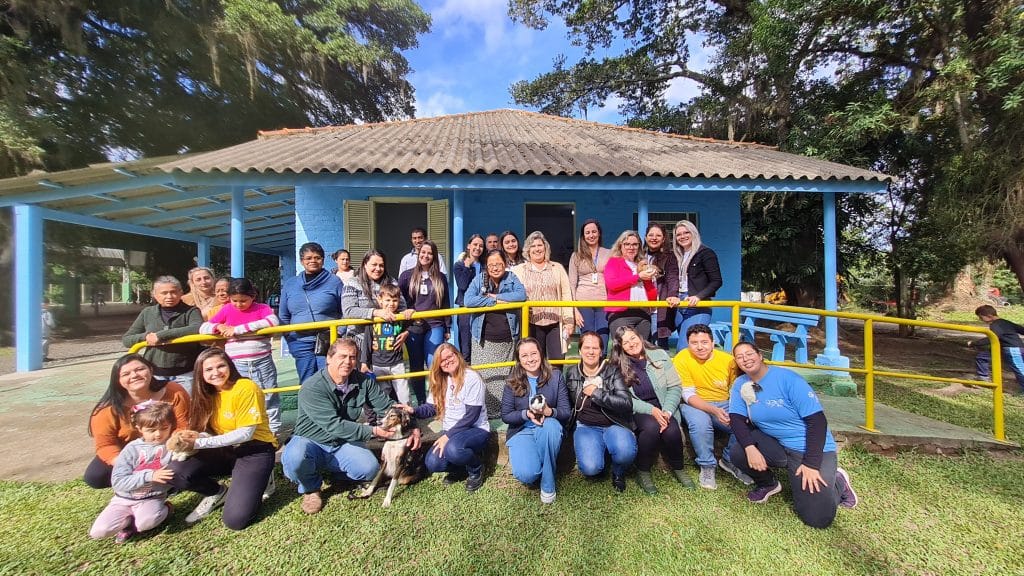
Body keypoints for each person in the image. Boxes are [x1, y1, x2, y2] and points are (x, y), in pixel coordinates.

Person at [727, 341, 858, 528]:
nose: (745, 359)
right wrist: (750, 449)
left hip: (808, 447)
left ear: (760, 355)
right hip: (777, 443)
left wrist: (811, 464)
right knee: (739, 451)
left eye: (749, 354)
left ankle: (839, 482)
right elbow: (737, 419)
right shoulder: (741, 384)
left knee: (817, 518)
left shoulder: (788, 379)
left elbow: (817, 422)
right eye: (739, 357)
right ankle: (768, 483)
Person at [282, 338, 419, 514]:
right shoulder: (312, 387)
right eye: (342, 356)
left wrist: (413, 425)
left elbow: (388, 405)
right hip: (310, 440)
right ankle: (311, 488)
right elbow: (334, 425)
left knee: (370, 469)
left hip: (342, 441)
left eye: (353, 357)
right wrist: (373, 431)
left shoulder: (363, 381)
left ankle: (336, 473)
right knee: (295, 458)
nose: (348, 362)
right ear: (329, 359)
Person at [170, 348, 278, 529]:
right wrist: (193, 439)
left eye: (221, 366)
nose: (216, 372)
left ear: (230, 366)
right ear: (200, 373)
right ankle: (216, 492)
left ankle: (265, 477)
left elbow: (246, 434)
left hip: (255, 449)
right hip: (224, 449)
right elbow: (210, 432)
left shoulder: (245, 387)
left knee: (235, 520)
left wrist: (199, 442)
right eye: (209, 369)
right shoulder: (205, 394)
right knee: (174, 470)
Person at [85, 354, 190, 489]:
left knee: (181, 468)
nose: (134, 375)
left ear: (151, 370)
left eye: (140, 369)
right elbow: (106, 445)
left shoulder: (174, 391)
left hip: (166, 446)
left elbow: (183, 426)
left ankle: (167, 484)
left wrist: (170, 451)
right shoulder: (106, 409)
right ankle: (139, 482)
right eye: (126, 374)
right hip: (129, 453)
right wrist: (128, 464)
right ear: (118, 380)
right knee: (95, 476)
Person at [611, 325, 694, 494]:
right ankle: (643, 470)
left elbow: (675, 387)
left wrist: (667, 411)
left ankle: (678, 467)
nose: (631, 343)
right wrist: (651, 410)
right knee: (652, 427)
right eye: (625, 342)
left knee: (671, 430)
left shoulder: (660, 355)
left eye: (633, 338)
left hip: (664, 405)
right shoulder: (617, 366)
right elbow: (625, 399)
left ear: (640, 337)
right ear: (620, 347)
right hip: (638, 408)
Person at [397, 343, 490, 492]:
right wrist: (413, 410)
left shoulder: (472, 377)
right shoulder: (441, 380)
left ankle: (476, 468)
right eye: (442, 360)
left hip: (475, 429)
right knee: (433, 463)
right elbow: (430, 408)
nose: (447, 361)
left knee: (453, 449)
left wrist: (448, 436)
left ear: (457, 355)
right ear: (438, 365)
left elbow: (472, 416)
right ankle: (460, 468)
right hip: (452, 432)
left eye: (450, 356)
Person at [673, 324, 753, 489]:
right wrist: (714, 410)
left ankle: (729, 460)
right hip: (694, 403)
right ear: (688, 343)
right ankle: (707, 466)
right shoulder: (682, 357)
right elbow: (687, 394)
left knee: (743, 422)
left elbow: (735, 390)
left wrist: (732, 410)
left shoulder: (727, 360)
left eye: (704, 342)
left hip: (724, 401)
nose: (700, 347)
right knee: (701, 424)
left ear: (712, 342)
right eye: (694, 343)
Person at [200, 278, 282, 435]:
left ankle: (273, 433)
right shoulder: (226, 309)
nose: (238, 304)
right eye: (234, 300)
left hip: (261, 361)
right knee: (240, 395)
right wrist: (219, 326)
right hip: (237, 362)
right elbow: (204, 327)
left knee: (268, 395)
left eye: (243, 300)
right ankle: (243, 431)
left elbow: (272, 322)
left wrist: (238, 329)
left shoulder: (262, 308)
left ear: (253, 296)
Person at [89, 401, 177, 543]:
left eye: (164, 428)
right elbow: (118, 481)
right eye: (151, 430)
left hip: (152, 497)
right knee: (99, 532)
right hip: (123, 499)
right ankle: (128, 521)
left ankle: (166, 509)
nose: (158, 434)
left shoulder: (171, 445)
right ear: (139, 428)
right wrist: (150, 475)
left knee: (146, 523)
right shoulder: (131, 449)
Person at [564, 331, 637, 492]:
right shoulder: (571, 372)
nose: (591, 352)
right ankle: (599, 455)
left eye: (595, 348)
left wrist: (597, 393)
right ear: (580, 350)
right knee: (591, 469)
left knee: (626, 452)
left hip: (614, 423)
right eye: (587, 347)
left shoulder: (612, 371)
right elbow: (567, 404)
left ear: (601, 351)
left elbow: (626, 403)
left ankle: (618, 471)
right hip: (586, 426)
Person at [501, 338, 570, 503]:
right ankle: (540, 460)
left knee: (551, 427)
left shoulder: (556, 376)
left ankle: (548, 485)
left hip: (547, 426)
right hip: (522, 431)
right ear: (519, 360)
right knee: (527, 475)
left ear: (541, 354)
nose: (530, 359)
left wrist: (549, 412)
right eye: (524, 355)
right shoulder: (511, 381)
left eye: (534, 353)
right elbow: (506, 415)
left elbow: (566, 412)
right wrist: (526, 414)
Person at [464, 249, 529, 416]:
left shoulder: (511, 277)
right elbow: (468, 300)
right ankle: (489, 412)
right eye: (491, 264)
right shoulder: (479, 279)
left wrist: (499, 297)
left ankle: (504, 411)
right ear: (486, 266)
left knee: (504, 378)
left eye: (498, 264)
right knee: (485, 377)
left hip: (508, 339)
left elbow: (521, 295)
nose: (495, 268)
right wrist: (493, 300)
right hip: (483, 340)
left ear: (505, 264)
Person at [122, 275, 203, 394]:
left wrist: (162, 335)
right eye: (164, 293)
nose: (169, 296)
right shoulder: (147, 312)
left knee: (185, 408)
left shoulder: (191, 311)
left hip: (185, 374)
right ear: (154, 294)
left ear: (181, 293)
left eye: (173, 292)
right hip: (154, 374)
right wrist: (145, 337)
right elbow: (127, 339)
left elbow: (197, 328)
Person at [279, 242, 345, 383]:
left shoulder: (334, 282)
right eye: (308, 258)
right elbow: (283, 315)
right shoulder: (290, 284)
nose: (313, 261)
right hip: (300, 342)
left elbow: (344, 311)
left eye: (317, 257)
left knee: (329, 379)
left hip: (328, 339)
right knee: (307, 382)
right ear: (302, 261)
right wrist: (290, 340)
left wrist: (339, 333)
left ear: (323, 260)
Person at [398, 240, 451, 405]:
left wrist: (447, 326)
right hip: (414, 325)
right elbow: (399, 300)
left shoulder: (440, 277)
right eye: (423, 253)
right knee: (415, 364)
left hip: (435, 324)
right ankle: (421, 400)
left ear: (434, 256)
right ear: (418, 254)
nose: (426, 256)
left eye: (429, 253)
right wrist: (405, 314)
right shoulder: (407, 275)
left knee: (433, 363)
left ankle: (436, 399)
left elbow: (445, 303)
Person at [512, 231, 574, 361]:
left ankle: (556, 382)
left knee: (557, 361)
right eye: (533, 246)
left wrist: (569, 322)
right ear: (528, 250)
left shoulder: (557, 268)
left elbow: (566, 294)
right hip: (531, 323)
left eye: (540, 245)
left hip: (555, 322)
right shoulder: (518, 270)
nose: (537, 249)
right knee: (535, 361)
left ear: (545, 247)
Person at [341, 249, 406, 363]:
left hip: (386, 344)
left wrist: (405, 331)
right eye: (374, 265)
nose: (378, 268)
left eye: (381, 265)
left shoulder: (391, 282)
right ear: (365, 265)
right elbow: (349, 311)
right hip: (360, 340)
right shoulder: (352, 283)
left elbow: (402, 307)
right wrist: (375, 312)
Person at [361, 283, 413, 408]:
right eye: (387, 300)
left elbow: (416, 323)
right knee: (383, 394)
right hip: (378, 363)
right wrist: (364, 363)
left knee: (404, 394)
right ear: (380, 300)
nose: (391, 303)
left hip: (397, 363)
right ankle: (384, 420)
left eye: (395, 300)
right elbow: (367, 342)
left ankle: (409, 419)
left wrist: (411, 311)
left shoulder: (400, 316)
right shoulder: (374, 319)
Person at [673, 220, 722, 349]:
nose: (682, 236)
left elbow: (716, 281)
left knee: (683, 348)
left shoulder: (705, 253)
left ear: (693, 233)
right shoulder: (678, 255)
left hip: (697, 306)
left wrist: (698, 296)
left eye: (686, 232)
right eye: (678, 234)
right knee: (688, 347)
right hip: (679, 305)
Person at [604, 231, 657, 342]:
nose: (631, 247)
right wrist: (638, 277)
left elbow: (652, 293)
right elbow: (612, 284)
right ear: (620, 246)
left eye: (635, 244)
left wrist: (649, 279)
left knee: (642, 349)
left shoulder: (642, 264)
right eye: (627, 244)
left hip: (643, 313)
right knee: (623, 350)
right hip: (621, 313)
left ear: (639, 247)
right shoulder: (614, 262)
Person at [568, 219, 612, 349]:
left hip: (604, 302)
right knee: (587, 337)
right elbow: (571, 283)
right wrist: (574, 309)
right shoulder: (576, 256)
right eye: (587, 232)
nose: (591, 235)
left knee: (603, 336)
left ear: (599, 233)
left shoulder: (609, 253)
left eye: (594, 231)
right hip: (583, 303)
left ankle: (602, 366)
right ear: (583, 236)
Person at [969, 304, 1024, 391]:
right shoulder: (1005, 322)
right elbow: (1021, 329)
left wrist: (974, 343)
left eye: (981, 317)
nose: (980, 320)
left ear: (989, 316)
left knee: (1020, 369)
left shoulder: (995, 325)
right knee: (982, 356)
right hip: (1002, 348)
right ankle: (983, 377)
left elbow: (993, 337)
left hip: (1012, 349)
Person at [644, 222, 681, 348]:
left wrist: (672, 295)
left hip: (657, 308)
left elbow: (672, 278)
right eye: (651, 235)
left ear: (664, 238)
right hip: (640, 306)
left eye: (658, 235)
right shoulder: (639, 256)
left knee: (657, 345)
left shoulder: (670, 257)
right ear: (645, 237)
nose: (654, 238)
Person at [453, 234, 485, 360]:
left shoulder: (485, 266)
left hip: (482, 307)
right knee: (465, 345)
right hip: (465, 308)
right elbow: (462, 285)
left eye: (481, 246)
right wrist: (467, 266)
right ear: (468, 246)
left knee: (480, 343)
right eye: (475, 244)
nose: (478, 248)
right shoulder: (459, 265)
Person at [41, 297, 56, 361]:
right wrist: (53, 326)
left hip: (37, 331)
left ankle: (41, 356)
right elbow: (50, 323)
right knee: (45, 343)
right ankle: (43, 357)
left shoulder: (34, 312)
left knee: (41, 343)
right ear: (47, 304)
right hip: (45, 330)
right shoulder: (47, 313)